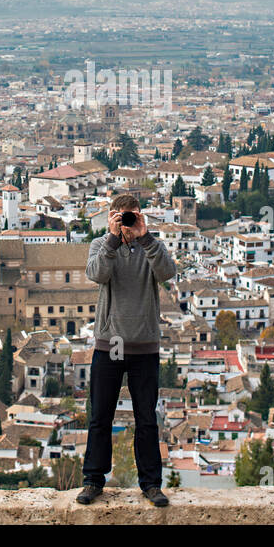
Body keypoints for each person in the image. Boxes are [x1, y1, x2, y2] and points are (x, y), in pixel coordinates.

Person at [76, 193, 177, 506]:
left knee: (146, 419)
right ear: (111, 217)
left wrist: (145, 238)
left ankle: (151, 484)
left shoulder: (152, 247)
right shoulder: (101, 245)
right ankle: (93, 481)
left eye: (131, 216)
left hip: (144, 346)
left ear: (140, 215)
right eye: (121, 216)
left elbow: (168, 274)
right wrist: (112, 238)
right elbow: (96, 274)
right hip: (111, 344)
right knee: (100, 417)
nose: (127, 222)